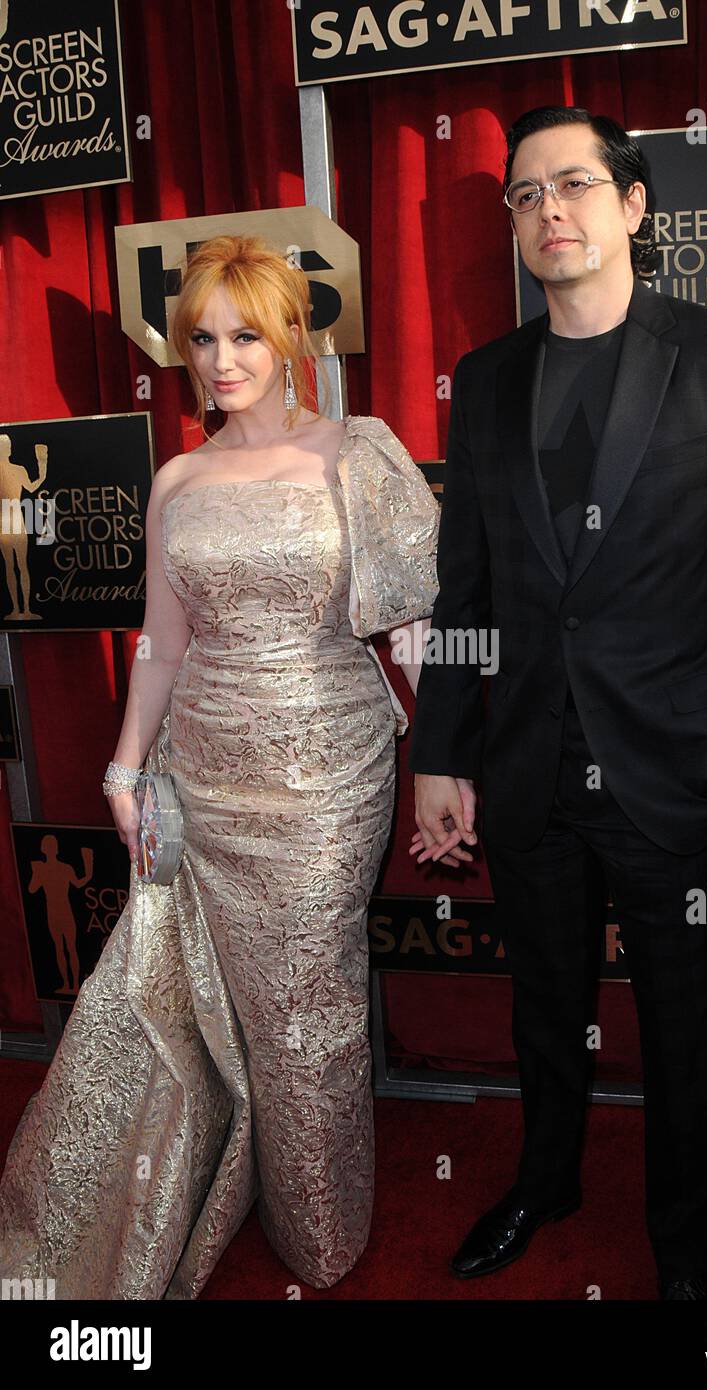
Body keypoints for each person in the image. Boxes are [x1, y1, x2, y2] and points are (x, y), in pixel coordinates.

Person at [408, 107, 707, 1300]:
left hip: (672, 769)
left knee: (679, 1034)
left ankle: (683, 1252)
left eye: (572, 185)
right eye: (523, 195)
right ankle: (545, 1179)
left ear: (631, 206)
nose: (546, 210)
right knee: (543, 1007)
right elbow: (463, 584)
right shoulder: (484, 377)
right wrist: (439, 752)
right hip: (522, 768)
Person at [0, 234, 439, 1297]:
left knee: (305, 1001)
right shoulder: (178, 477)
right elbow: (161, 637)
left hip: (327, 776)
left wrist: (447, 761)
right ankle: (227, 1172)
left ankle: (319, 1227)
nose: (221, 357)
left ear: (293, 333)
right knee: (215, 997)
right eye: (201, 337)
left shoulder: (356, 453)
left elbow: (415, 629)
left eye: (244, 333)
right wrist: (122, 767)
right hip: (200, 767)